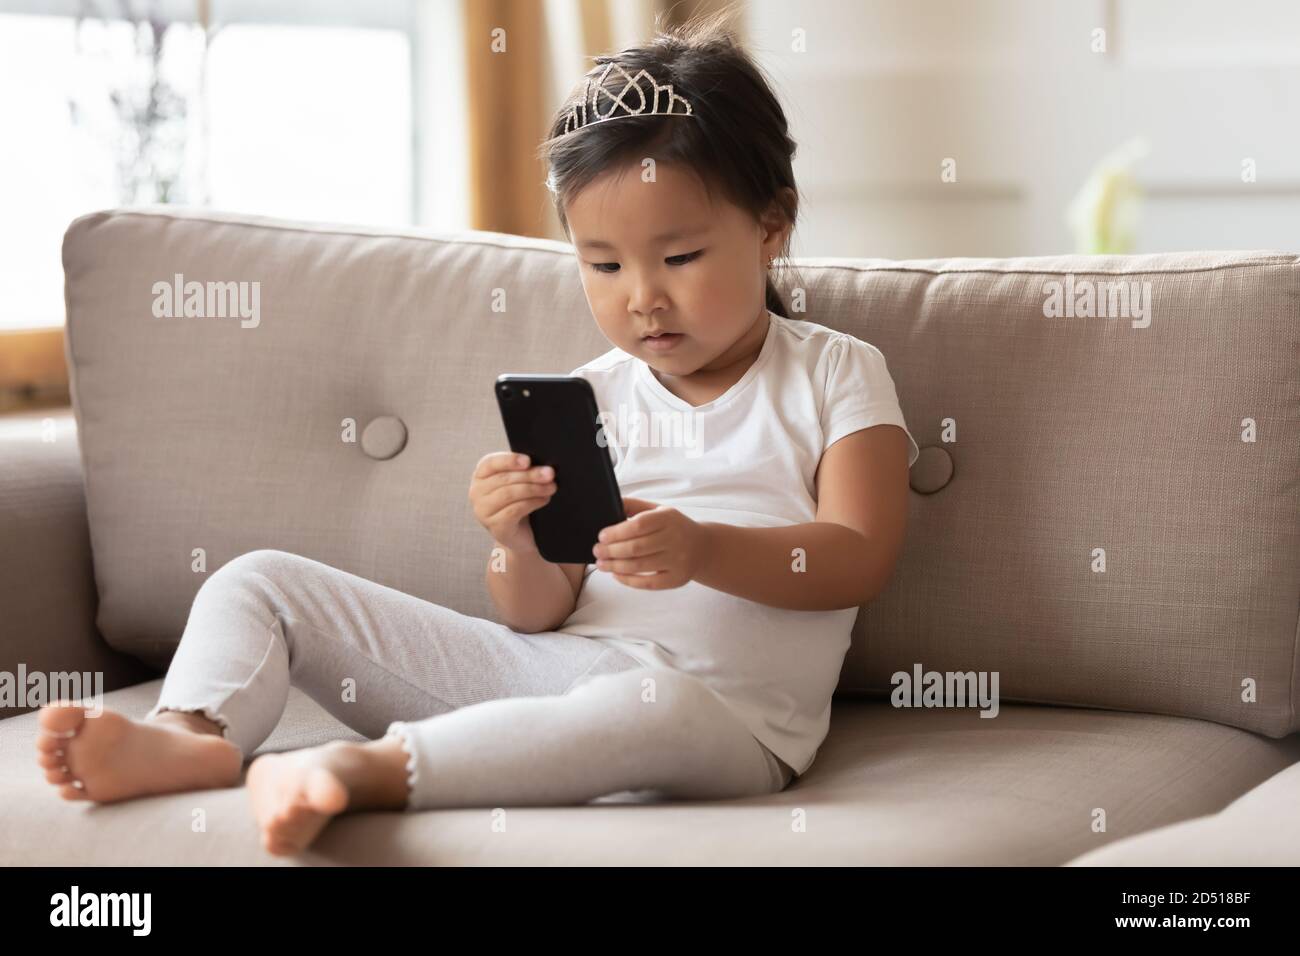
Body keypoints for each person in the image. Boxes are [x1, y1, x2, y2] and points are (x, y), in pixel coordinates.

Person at [34, 7, 918, 857]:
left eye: (678, 258)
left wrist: (705, 551)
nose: (641, 295)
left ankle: (368, 772)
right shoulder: (589, 398)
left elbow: (858, 556)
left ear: (772, 224)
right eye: (603, 264)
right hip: (556, 673)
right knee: (259, 579)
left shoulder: (836, 371)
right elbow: (534, 616)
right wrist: (516, 540)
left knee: (648, 704)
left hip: (718, 720)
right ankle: (195, 733)